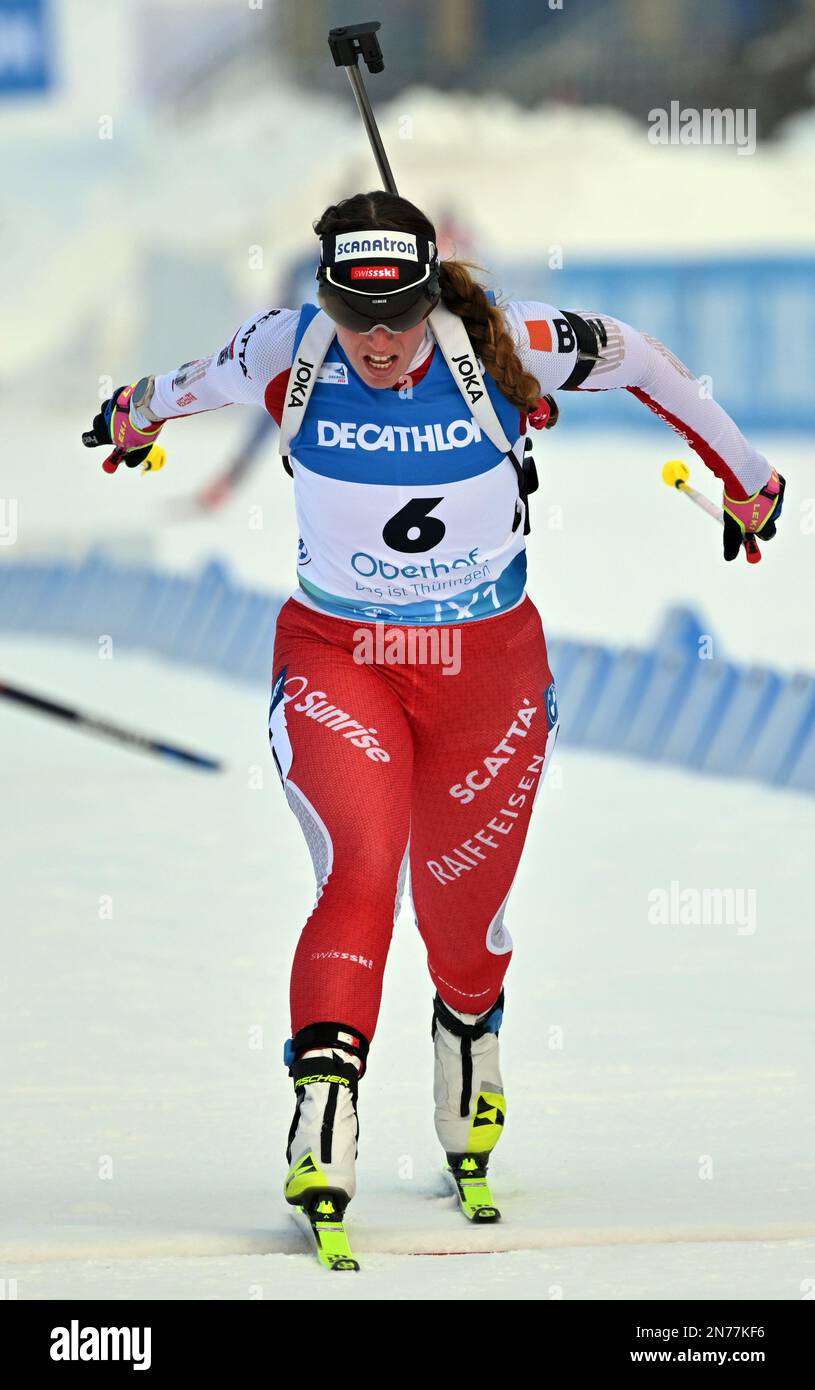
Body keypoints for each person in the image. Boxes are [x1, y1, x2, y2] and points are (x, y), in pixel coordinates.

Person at [82, 190, 784, 1225]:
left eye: (398, 315)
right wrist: (127, 418)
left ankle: (467, 1031)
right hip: (340, 656)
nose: (374, 341)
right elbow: (183, 383)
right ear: (321, 298)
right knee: (359, 869)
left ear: (430, 296)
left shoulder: (503, 345)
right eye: (351, 314)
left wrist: (751, 480)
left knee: (463, 928)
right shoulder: (290, 348)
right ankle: (322, 1107)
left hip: (485, 673)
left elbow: (638, 357)